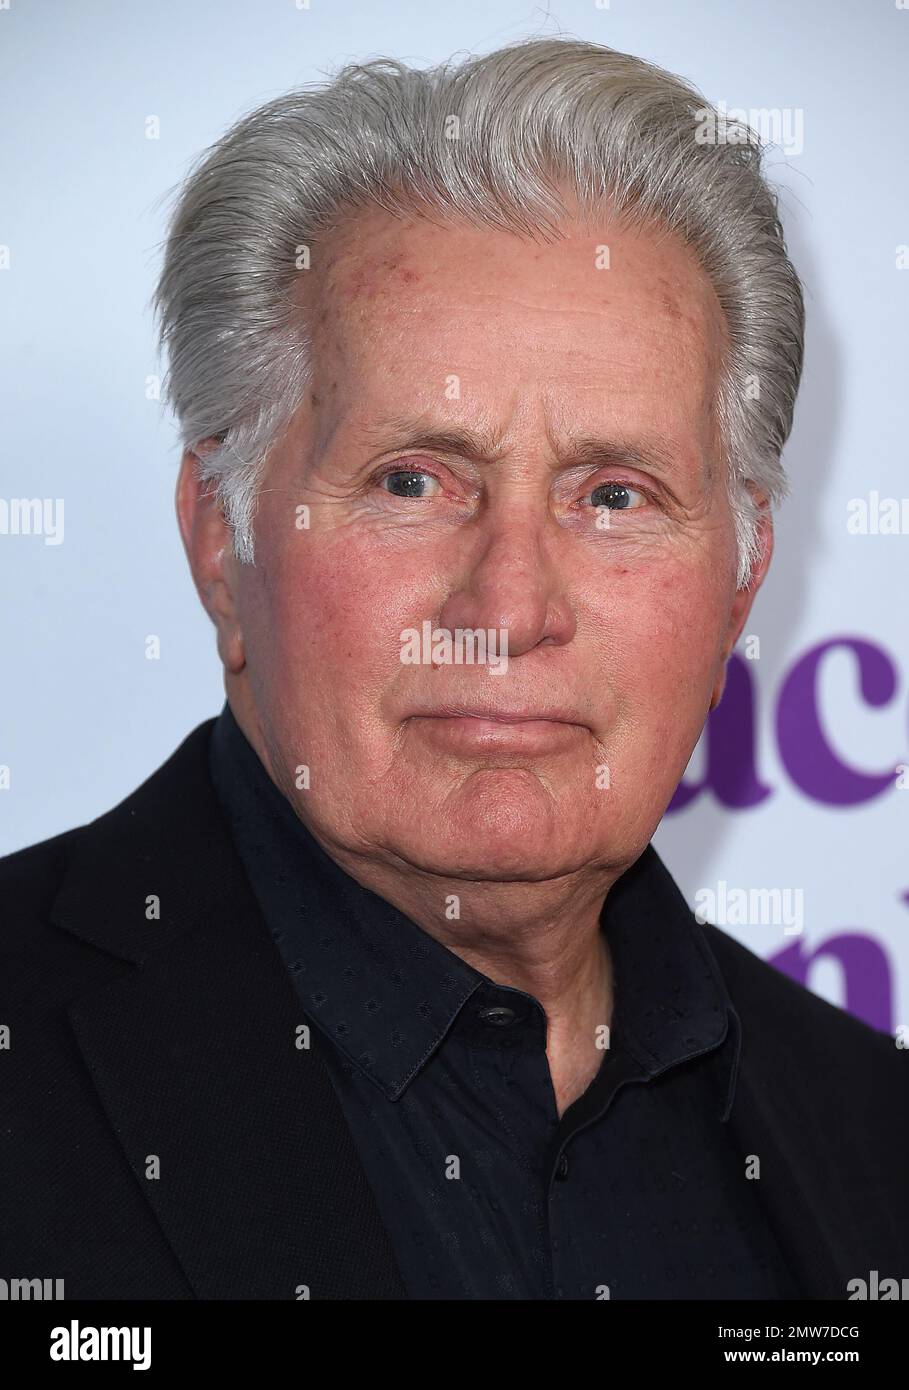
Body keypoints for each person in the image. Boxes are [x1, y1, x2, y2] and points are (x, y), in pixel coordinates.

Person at [2, 37, 906, 1300]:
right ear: (222, 537)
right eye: (413, 480)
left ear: (740, 583)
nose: (510, 606)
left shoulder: (873, 1135)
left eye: (614, 495)